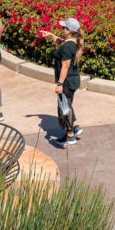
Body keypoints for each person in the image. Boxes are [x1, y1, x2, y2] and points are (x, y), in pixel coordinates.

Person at [41, 17, 84, 147]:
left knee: (64, 108)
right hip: (73, 79)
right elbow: (61, 42)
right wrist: (51, 35)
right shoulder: (74, 42)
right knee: (68, 104)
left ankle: (70, 136)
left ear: (69, 31)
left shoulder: (67, 47)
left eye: (64, 28)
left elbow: (65, 66)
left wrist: (59, 84)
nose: (62, 29)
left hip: (66, 81)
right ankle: (75, 127)